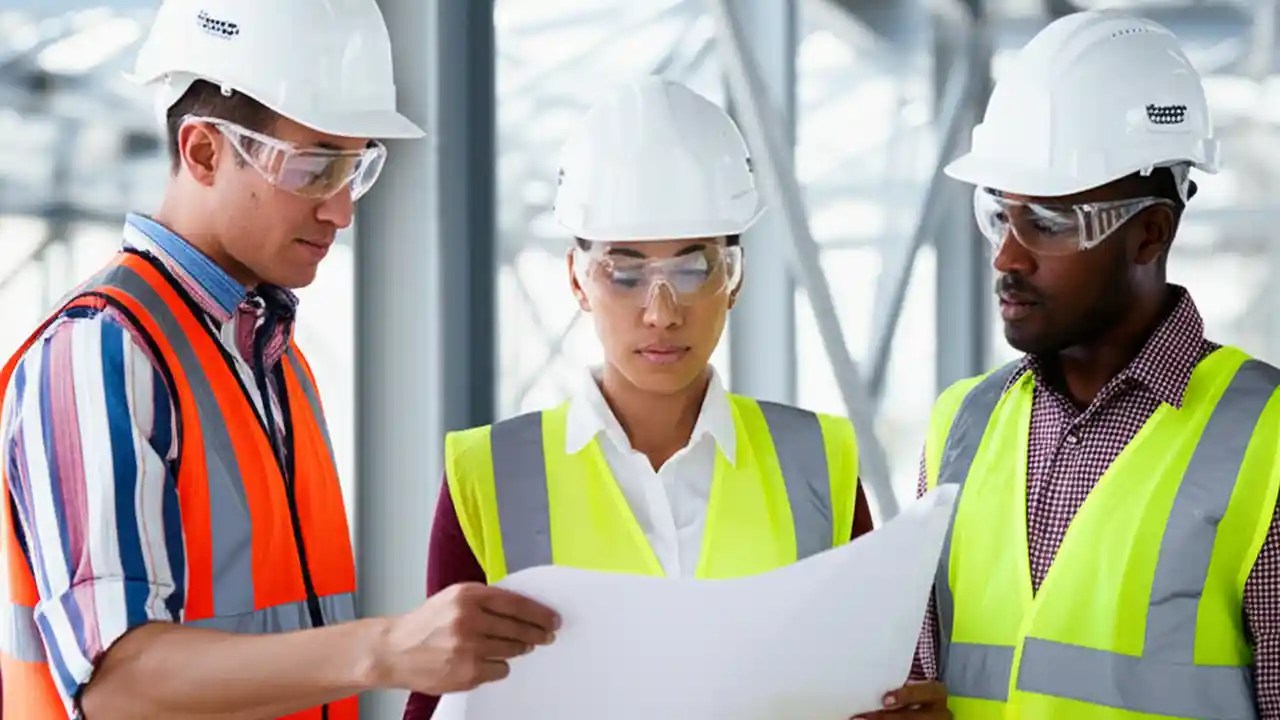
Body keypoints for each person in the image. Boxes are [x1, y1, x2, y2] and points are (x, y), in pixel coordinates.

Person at [0, 1, 558, 718]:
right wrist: (387, 648)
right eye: (316, 167)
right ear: (203, 151)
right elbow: (119, 686)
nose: (342, 210)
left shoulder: (272, 363)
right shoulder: (101, 351)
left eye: (355, 168)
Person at [403, 77, 875, 718]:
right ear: (577, 278)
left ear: (733, 277)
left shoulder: (818, 461)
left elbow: (867, 682)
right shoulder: (486, 474)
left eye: (692, 268)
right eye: (625, 272)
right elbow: (434, 701)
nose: (660, 313)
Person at [858, 9, 1280, 720]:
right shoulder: (961, 425)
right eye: (999, 214)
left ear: (1151, 232)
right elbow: (928, 680)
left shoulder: (1266, 444)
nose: (1007, 256)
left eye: (1049, 222)